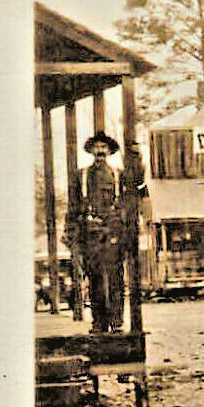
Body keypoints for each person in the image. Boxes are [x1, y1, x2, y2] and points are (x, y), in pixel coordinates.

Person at [71, 131, 124, 332]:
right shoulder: (82, 176)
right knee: (94, 278)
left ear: (109, 151)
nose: (100, 151)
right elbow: (73, 206)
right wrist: (72, 232)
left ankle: (117, 322)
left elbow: (126, 204)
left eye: (104, 147)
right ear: (91, 151)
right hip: (90, 233)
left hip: (113, 233)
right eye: (97, 147)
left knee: (115, 278)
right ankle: (99, 323)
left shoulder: (118, 175)